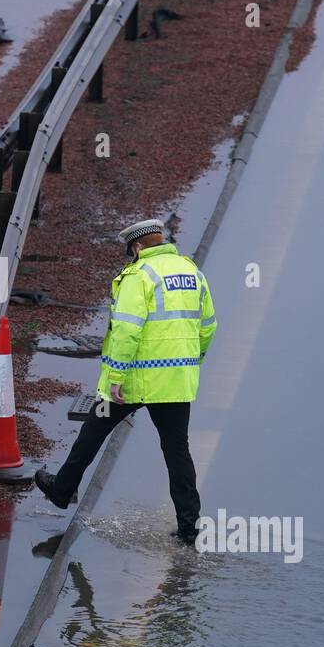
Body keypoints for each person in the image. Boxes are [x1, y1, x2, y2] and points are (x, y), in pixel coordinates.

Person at [34, 218, 216, 544]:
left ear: (136, 247)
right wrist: (192, 362)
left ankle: (62, 490)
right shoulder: (192, 272)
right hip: (174, 382)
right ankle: (189, 526)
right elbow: (208, 326)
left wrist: (115, 377)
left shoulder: (139, 276)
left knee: (93, 430)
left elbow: (126, 331)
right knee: (177, 451)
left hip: (133, 381)